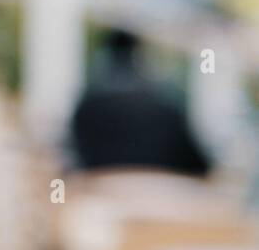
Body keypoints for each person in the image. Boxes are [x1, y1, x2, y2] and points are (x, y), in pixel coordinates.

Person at [70, 28, 212, 176]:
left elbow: (77, 154)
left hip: (101, 188)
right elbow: (197, 163)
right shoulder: (164, 100)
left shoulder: (89, 104)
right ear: (139, 53)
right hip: (161, 185)